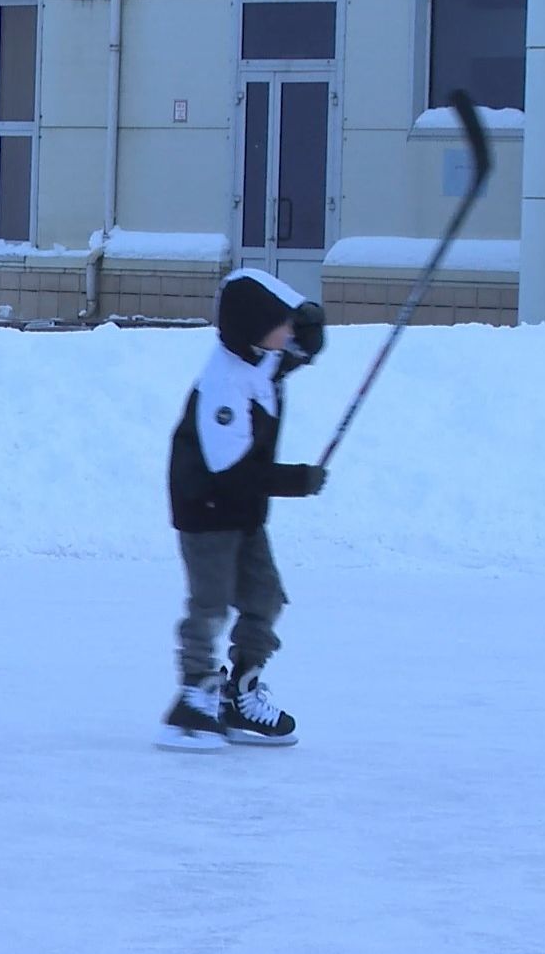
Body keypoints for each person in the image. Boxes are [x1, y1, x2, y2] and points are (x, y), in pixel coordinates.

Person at [157, 268, 328, 752]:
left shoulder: (257, 357)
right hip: (207, 509)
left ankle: (240, 693)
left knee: (265, 598)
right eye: (283, 324)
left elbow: (281, 365)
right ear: (254, 327)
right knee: (210, 604)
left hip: (244, 509)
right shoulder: (223, 387)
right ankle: (192, 700)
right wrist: (295, 480)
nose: (289, 333)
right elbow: (228, 472)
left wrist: (307, 340)